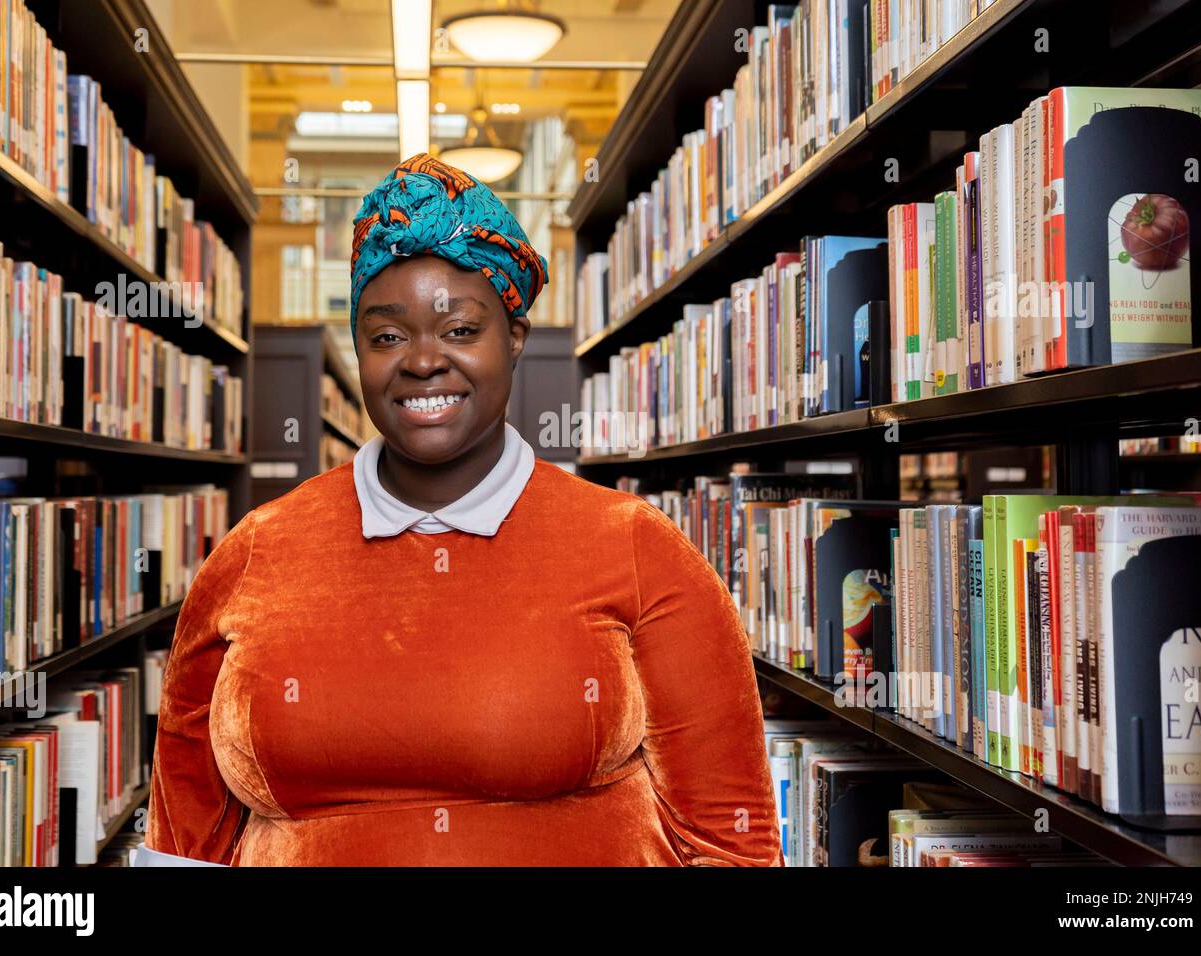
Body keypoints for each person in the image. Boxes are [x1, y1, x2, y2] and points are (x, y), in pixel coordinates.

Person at [133, 154, 782, 866]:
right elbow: (186, 839)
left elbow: (730, 841)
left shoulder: (636, 547)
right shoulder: (256, 552)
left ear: (516, 339)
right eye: (387, 336)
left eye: (461, 331)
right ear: (358, 353)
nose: (421, 361)